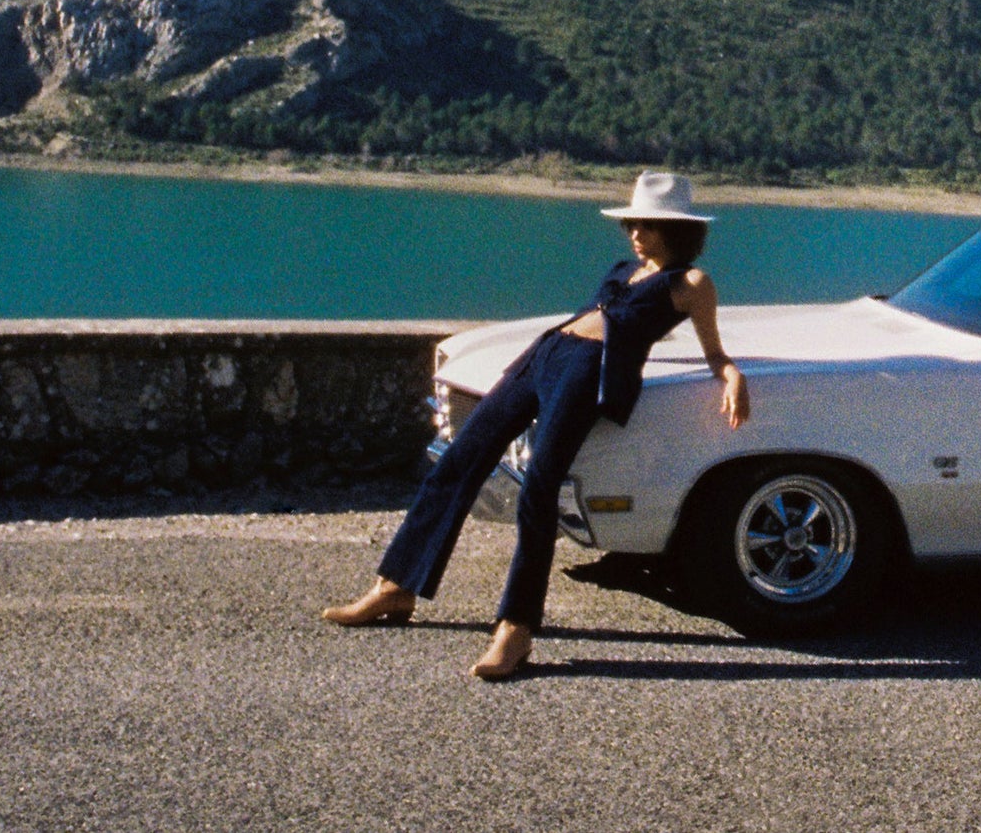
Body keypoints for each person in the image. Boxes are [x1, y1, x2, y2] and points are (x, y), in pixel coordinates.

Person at [321, 171, 749, 680]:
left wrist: (732, 376)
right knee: (460, 459)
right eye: (632, 222)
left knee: (539, 488)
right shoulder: (623, 269)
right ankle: (396, 586)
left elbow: (714, 351)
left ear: (676, 229)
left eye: (648, 225)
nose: (636, 232)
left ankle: (517, 628)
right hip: (544, 355)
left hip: (587, 374)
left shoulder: (692, 284)